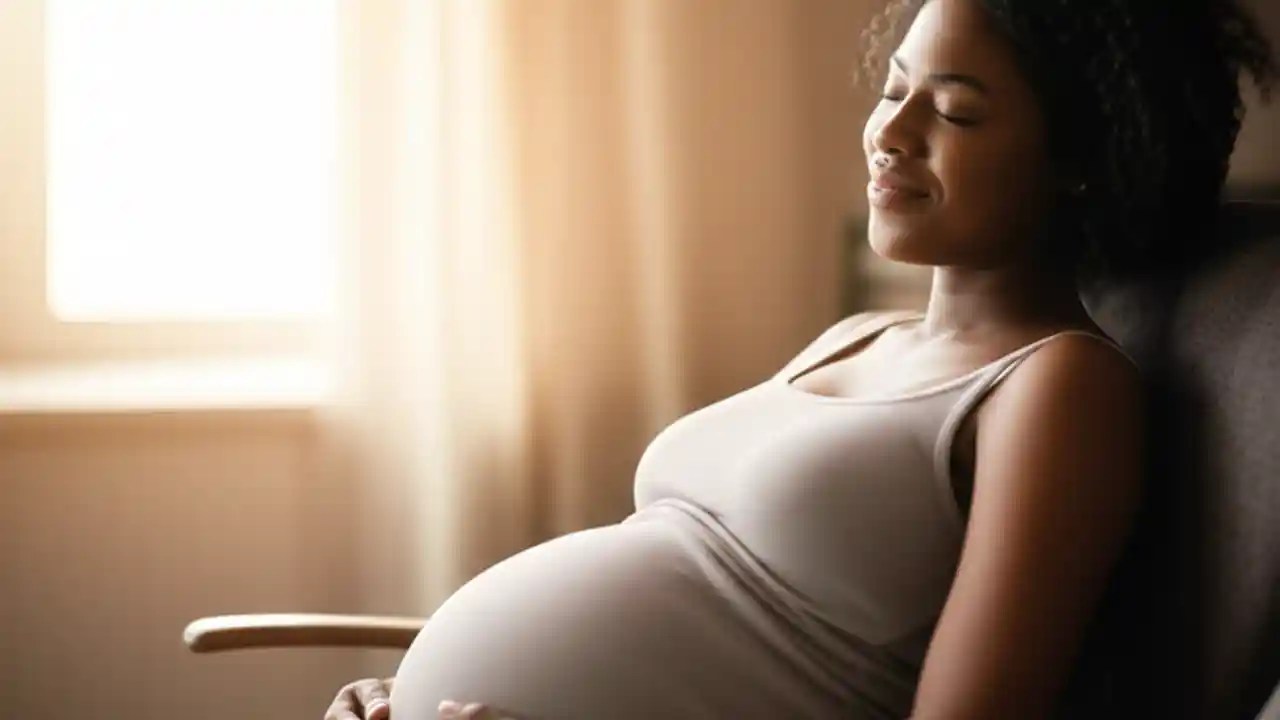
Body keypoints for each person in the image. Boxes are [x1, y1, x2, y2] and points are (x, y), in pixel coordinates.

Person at [327, 0, 1276, 717]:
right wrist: (408, 688)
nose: (892, 133)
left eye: (955, 111)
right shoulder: (858, 338)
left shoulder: (1057, 386)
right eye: (895, 88)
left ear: (1081, 157)